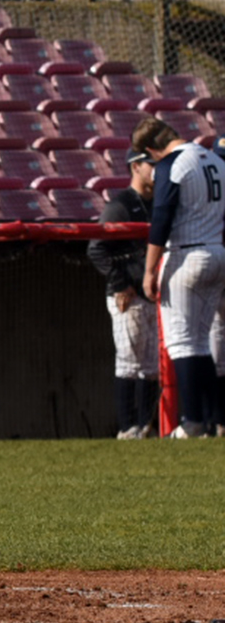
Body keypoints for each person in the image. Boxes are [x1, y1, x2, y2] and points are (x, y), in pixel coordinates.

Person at [134, 116, 225, 439]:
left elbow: (161, 219)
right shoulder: (214, 157)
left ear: (150, 150)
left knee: (182, 341)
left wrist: (149, 270)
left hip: (186, 254)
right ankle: (215, 419)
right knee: (202, 341)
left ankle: (193, 421)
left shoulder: (170, 164)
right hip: (216, 250)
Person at [90, 151, 158, 440]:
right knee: (129, 361)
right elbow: (95, 249)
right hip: (127, 296)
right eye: (151, 166)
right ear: (136, 167)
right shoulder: (121, 205)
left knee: (151, 365)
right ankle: (127, 427)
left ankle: (145, 427)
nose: (156, 171)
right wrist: (120, 284)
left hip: (150, 294)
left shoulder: (156, 203)